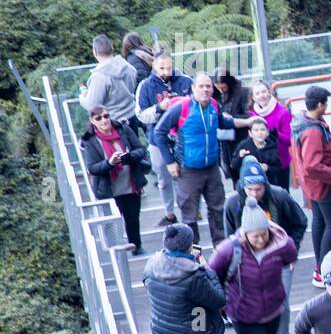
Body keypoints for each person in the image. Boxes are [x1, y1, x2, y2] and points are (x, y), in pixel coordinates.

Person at [155, 72, 247, 249]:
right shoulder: (181, 108)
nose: (205, 90)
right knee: (189, 214)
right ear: (193, 88)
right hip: (187, 169)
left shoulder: (213, 105)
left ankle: (221, 248)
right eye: (201, 86)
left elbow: (223, 123)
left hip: (211, 167)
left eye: (208, 86)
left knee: (218, 208)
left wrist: (248, 122)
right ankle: (193, 252)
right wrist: (170, 161)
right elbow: (159, 132)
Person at [208, 199, 300, 334]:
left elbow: (291, 256)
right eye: (255, 236)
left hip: (273, 311)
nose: (261, 240)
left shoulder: (282, 244)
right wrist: (221, 303)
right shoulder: (228, 250)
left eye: (264, 234)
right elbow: (210, 276)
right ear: (245, 234)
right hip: (243, 315)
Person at [292, 84, 331, 287]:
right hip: (323, 185)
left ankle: (318, 269)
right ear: (321, 104)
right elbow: (313, 165)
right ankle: (324, 270)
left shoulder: (302, 122)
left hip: (312, 186)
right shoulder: (313, 131)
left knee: (320, 222)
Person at [134, 49, 192, 227]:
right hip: (158, 139)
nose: (166, 72)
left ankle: (191, 209)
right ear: (154, 66)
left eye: (168, 67)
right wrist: (160, 108)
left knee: (187, 175)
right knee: (163, 177)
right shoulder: (145, 86)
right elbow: (141, 115)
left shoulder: (185, 81)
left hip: (184, 137)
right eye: (161, 68)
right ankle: (169, 213)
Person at [80, 106, 148, 253]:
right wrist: (109, 163)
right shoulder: (90, 141)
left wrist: (129, 157)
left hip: (130, 182)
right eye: (98, 118)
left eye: (106, 116)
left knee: (133, 217)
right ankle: (114, 252)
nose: (104, 120)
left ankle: (136, 246)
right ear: (92, 121)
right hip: (108, 188)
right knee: (111, 222)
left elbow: (141, 150)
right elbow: (92, 168)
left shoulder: (124, 130)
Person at [222, 157, 308, 252]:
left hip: (277, 254)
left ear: (265, 185)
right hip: (247, 258)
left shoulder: (280, 196)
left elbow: (300, 222)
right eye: (250, 189)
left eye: (258, 189)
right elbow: (230, 239)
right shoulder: (232, 203)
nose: (254, 194)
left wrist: (291, 248)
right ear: (243, 187)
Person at [80, 34, 140, 129]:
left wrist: (82, 98)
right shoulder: (127, 66)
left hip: (112, 123)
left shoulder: (99, 76)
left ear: (95, 52)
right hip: (132, 117)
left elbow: (93, 106)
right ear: (112, 48)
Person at [249, 78, 292, 188]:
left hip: (280, 164)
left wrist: (276, 134)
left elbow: (289, 140)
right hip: (260, 164)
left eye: (264, 91)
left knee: (282, 198)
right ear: (253, 97)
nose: (261, 95)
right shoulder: (251, 115)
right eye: (257, 93)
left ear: (269, 92)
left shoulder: (283, 112)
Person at [213, 68, 252, 184]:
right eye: (218, 87)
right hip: (223, 141)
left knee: (243, 171)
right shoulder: (214, 94)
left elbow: (249, 115)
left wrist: (230, 117)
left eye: (223, 87)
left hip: (240, 137)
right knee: (231, 170)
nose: (220, 90)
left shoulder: (242, 92)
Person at [228, 115, 284, 184]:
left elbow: (278, 167)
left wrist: (268, 168)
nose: (260, 133)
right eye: (256, 130)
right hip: (248, 183)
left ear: (267, 132)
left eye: (262, 130)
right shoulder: (244, 145)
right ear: (250, 133)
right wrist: (240, 156)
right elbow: (233, 165)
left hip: (267, 183)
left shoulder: (272, 146)